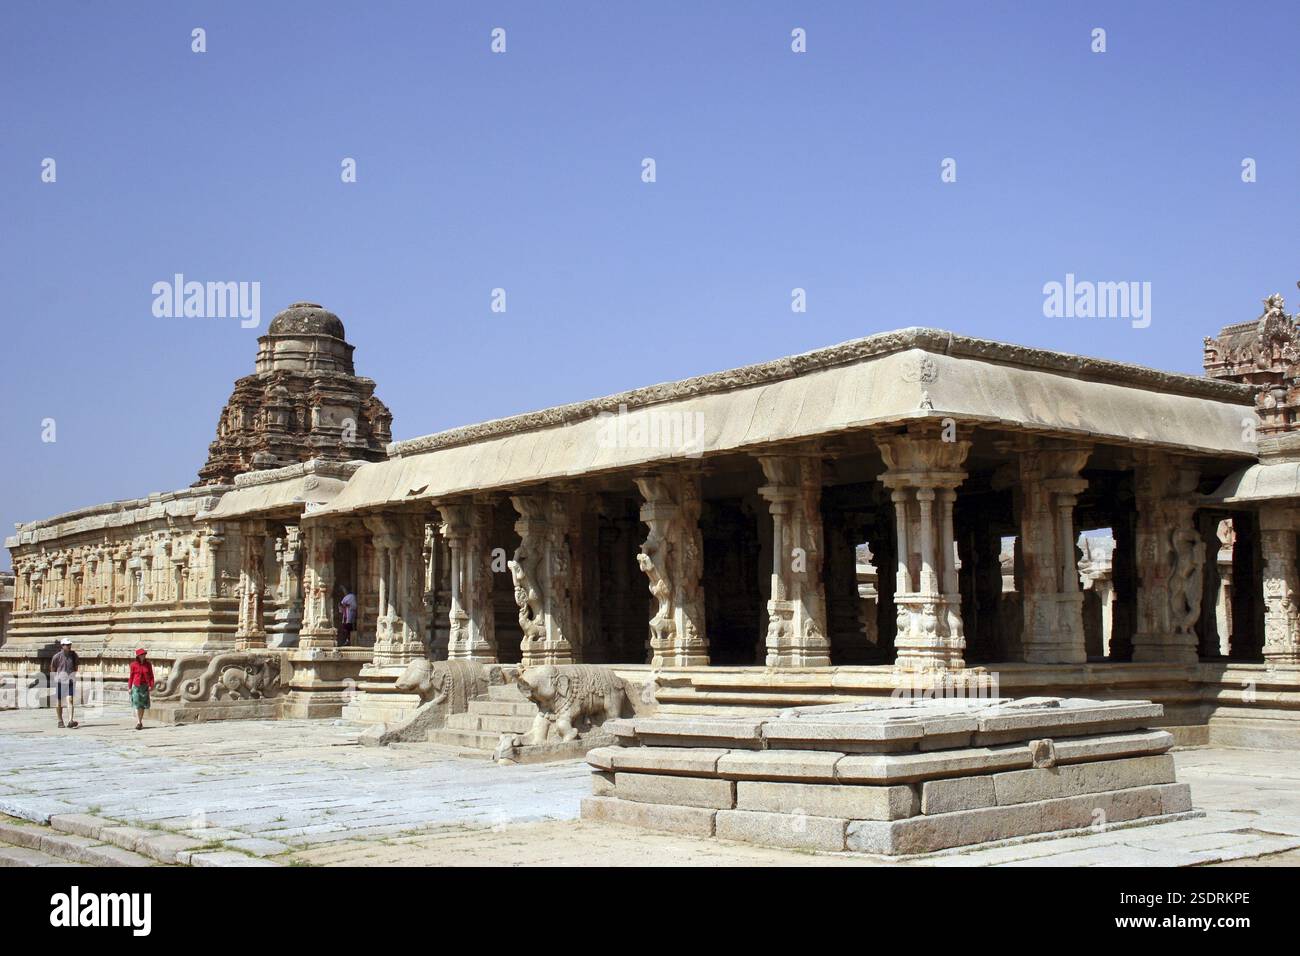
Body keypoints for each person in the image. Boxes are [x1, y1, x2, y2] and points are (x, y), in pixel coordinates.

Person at [50, 638, 79, 729]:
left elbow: (76, 666)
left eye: (69, 644)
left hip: (70, 680)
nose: (69, 646)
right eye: (67, 645)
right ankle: (60, 720)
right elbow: (53, 667)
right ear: (62, 646)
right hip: (60, 681)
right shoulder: (57, 656)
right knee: (59, 702)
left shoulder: (74, 655)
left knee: (70, 699)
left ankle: (70, 720)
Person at [128, 648, 155, 731]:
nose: (143, 656)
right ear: (138, 656)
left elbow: (151, 675)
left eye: (144, 654)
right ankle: (138, 722)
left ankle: (140, 720)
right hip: (136, 686)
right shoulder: (133, 665)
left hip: (145, 686)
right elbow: (131, 676)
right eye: (141, 654)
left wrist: (151, 685)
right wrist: (129, 687)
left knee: (142, 705)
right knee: (136, 704)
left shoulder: (148, 664)